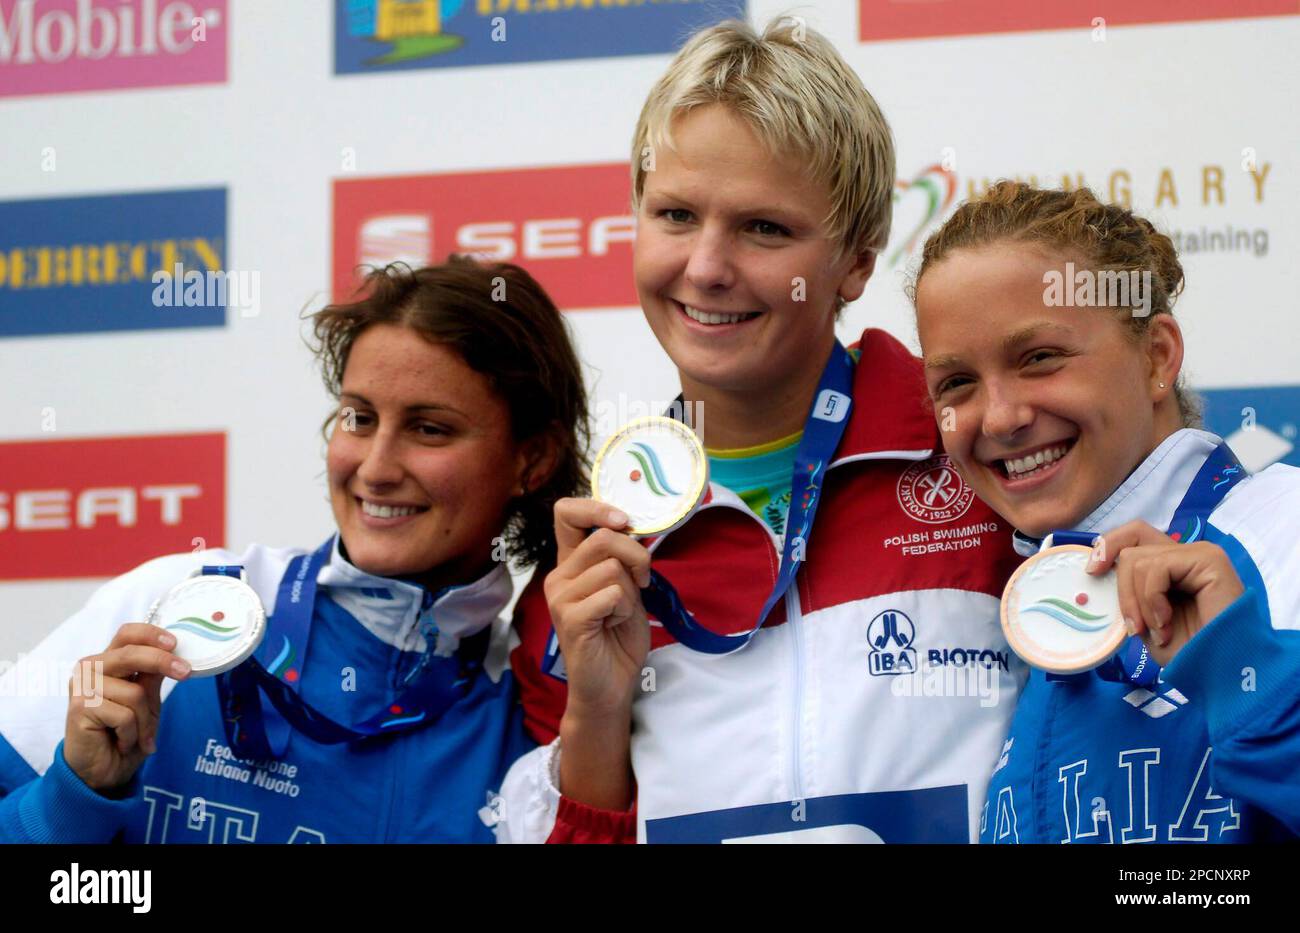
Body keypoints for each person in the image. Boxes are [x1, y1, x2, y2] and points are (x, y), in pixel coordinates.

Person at [495, 19, 1026, 844]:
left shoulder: (987, 455)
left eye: (764, 229)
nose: (706, 266)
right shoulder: (593, 563)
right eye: (675, 215)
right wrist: (596, 710)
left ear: (856, 260)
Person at [0, 257, 589, 843]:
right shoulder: (182, 607)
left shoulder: (535, 715)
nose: (376, 468)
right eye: (359, 418)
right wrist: (73, 797)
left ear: (531, 460)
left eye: (429, 428)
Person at [911, 180, 1300, 844]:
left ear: (1157, 356)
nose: (1001, 417)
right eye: (958, 383)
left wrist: (1248, 671)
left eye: (1040, 358)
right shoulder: (998, 619)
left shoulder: (1284, 532)